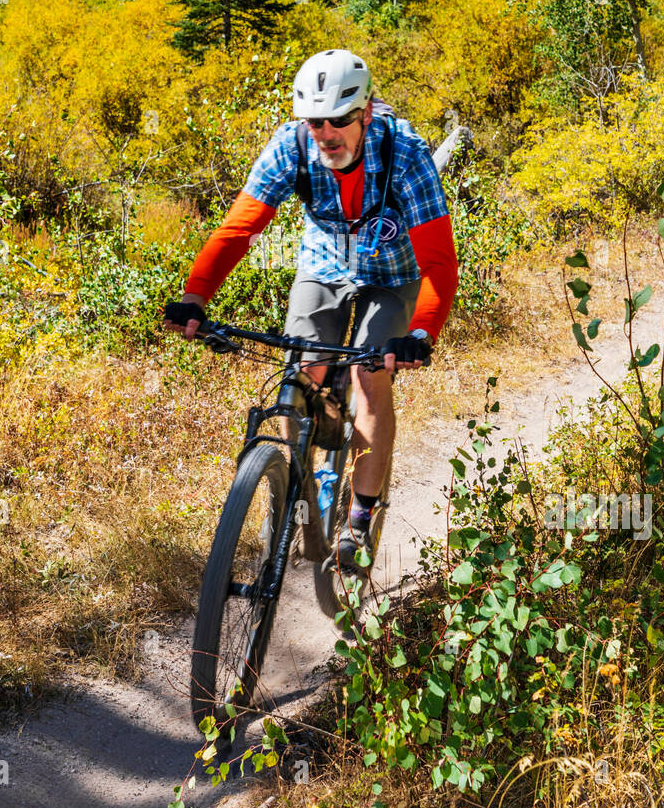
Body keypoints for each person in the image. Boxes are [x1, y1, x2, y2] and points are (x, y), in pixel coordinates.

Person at [164, 49, 459, 567]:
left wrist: (419, 333)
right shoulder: (292, 146)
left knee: (371, 375)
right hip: (324, 263)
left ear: (366, 113)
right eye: (315, 120)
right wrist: (195, 296)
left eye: (339, 120)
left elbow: (439, 263)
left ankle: (361, 518)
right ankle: (290, 493)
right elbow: (239, 229)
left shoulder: (406, 155)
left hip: (392, 274)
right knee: (302, 368)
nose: (326, 133)